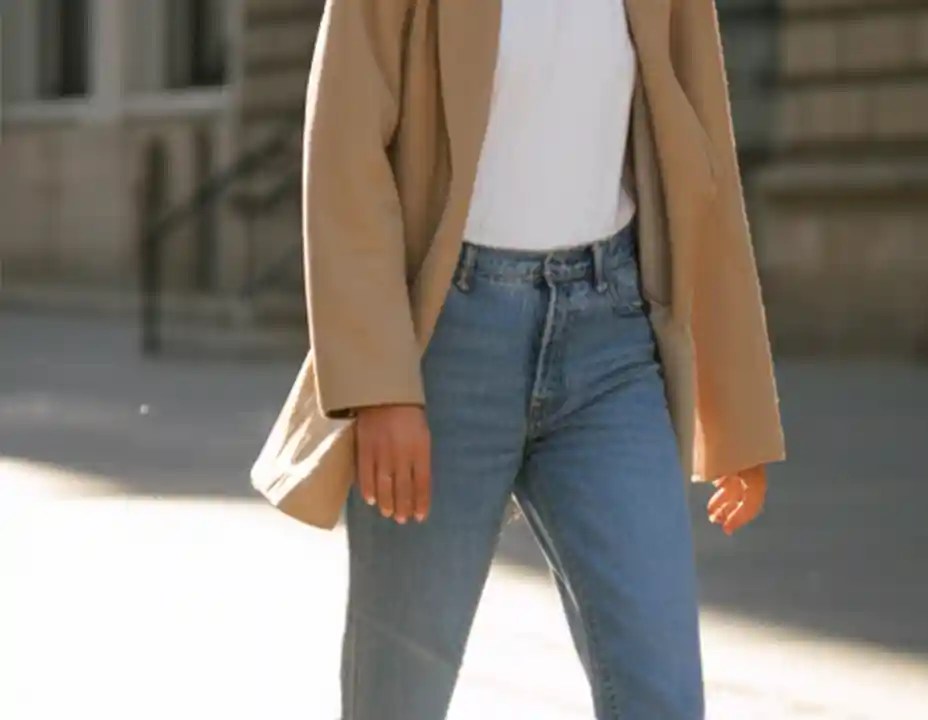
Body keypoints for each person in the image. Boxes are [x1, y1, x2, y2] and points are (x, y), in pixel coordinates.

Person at [249, 0, 786, 717]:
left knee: (662, 694)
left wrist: (734, 407)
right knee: (399, 700)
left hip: (614, 347)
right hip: (448, 346)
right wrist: (384, 389)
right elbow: (346, 145)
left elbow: (701, 149)